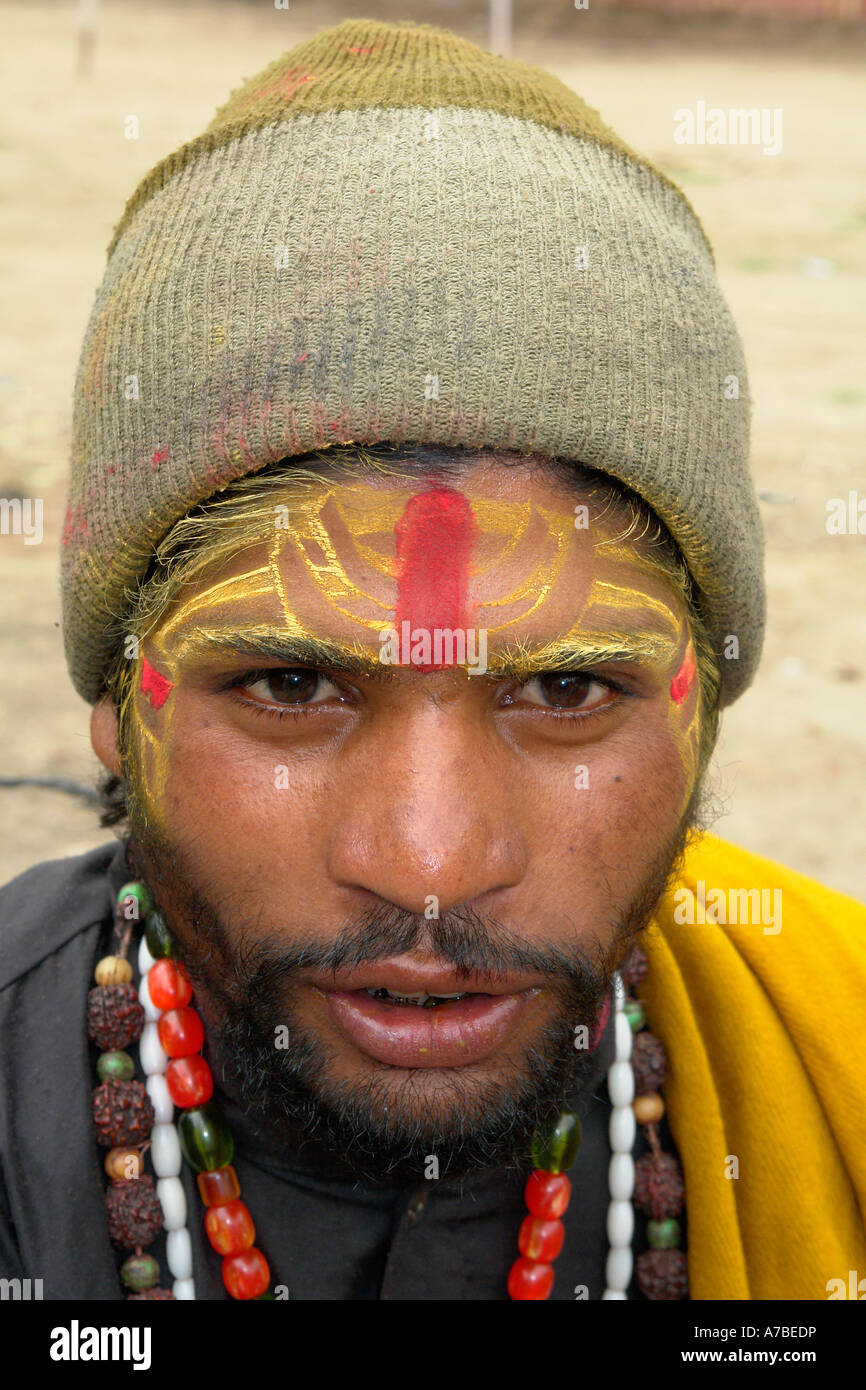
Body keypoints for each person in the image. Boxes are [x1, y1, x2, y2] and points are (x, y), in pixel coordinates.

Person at [1, 18, 863, 1303]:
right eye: (291, 685)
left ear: (702, 702)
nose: (428, 864)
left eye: (565, 690)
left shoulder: (831, 1042)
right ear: (118, 706)